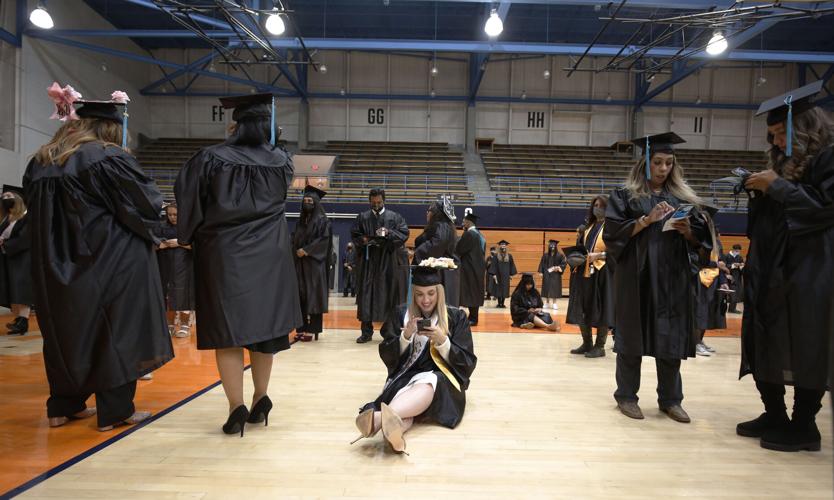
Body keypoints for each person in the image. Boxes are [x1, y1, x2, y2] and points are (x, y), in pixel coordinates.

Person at [24, 84, 173, 431]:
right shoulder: (107, 157)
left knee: (64, 331)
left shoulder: (41, 161)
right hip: (111, 260)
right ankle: (116, 410)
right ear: (109, 128)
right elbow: (146, 206)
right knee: (118, 331)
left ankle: (63, 406)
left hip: (54, 263)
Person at [176, 93, 302, 436]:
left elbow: (188, 199)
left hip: (224, 255)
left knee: (228, 334)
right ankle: (262, 397)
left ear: (235, 124)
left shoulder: (210, 158)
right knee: (264, 331)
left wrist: (187, 234)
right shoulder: (282, 162)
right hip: (270, 256)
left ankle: (236, 406)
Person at [737, 81, 834, 452]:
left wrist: (775, 186)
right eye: (773, 135)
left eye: (782, 134)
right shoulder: (780, 163)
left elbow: (824, 207)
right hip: (770, 264)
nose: (776, 142)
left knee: (806, 339)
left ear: (803, 128)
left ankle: (805, 425)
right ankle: (773, 412)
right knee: (765, 335)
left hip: (809, 267)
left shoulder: (829, 158)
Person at [603, 132, 708, 424]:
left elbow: (701, 242)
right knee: (631, 339)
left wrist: (688, 230)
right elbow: (612, 236)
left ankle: (671, 400)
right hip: (636, 279)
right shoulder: (624, 195)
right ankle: (626, 395)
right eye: (658, 162)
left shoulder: (682, 198)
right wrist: (645, 220)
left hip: (672, 279)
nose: (663, 169)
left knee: (670, 338)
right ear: (644, 163)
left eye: (669, 163)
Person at [352, 264, 477, 454]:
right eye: (419, 294)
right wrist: (405, 337)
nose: (425, 300)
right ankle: (395, 435)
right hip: (406, 377)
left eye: (431, 293)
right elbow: (387, 353)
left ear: (439, 292)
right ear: (413, 293)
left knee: (429, 380)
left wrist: (443, 342)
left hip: (441, 380)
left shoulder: (455, 317)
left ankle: (377, 419)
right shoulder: (401, 314)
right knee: (407, 410)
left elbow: (467, 362)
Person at [351, 189, 410, 344]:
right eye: (373, 202)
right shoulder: (362, 217)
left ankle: (389, 332)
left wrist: (388, 233)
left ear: (384, 200)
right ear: (369, 201)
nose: (376, 205)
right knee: (366, 296)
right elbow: (355, 235)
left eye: (379, 202)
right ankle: (366, 332)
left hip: (387, 261)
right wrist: (364, 240)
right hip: (368, 262)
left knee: (389, 295)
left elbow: (404, 233)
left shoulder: (395, 217)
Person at [565, 195, 615, 358]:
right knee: (582, 306)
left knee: (601, 308)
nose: (597, 208)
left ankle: (599, 346)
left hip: (602, 272)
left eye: (601, 205)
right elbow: (582, 248)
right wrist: (574, 256)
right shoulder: (588, 226)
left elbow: (618, 251)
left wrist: (600, 255)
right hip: (583, 272)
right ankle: (587, 343)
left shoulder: (612, 227)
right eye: (595, 205)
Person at [292, 185, 333, 342]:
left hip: (314, 265)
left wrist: (307, 250)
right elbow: (294, 239)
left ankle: (313, 329)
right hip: (300, 264)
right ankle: (301, 328)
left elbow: (323, 241)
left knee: (313, 296)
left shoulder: (323, 221)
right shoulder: (300, 222)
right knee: (301, 295)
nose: (307, 203)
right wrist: (295, 250)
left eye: (310, 200)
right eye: (305, 200)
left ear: (316, 202)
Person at [154, 203, 196, 338]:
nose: (172, 217)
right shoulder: (161, 227)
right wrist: (161, 245)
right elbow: (153, 244)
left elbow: (199, 245)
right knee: (167, 295)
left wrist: (180, 243)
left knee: (183, 295)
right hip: (165, 266)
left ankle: (184, 325)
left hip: (184, 266)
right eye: (170, 214)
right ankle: (170, 324)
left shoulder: (189, 227)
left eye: (175, 214)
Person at [693, 206, 730, 357]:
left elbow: (720, 263)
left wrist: (723, 281)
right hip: (697, 279)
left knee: (707, 313)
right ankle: (694, 343)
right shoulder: (694, 239)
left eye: (705, 220)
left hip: (712, 281)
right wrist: (716, 265)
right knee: (698, 313)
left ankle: (700, 341)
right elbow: (694, 260)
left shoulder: (716, 242)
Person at [413, 196, 460, 307]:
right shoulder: (445, 226)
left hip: (439, 275)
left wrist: (417, 252)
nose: (427, 213)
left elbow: (437, 244)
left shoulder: (441, 226)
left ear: (436, 213)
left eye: (429, 210)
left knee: (440, 308)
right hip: (442, 274)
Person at [0, 190, 33, 335]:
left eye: (9, 196)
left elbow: (25, 238)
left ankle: (23, 321)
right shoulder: (6, 218)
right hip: (8, 259)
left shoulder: (26, 217)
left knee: (22, 290)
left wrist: (5, 244)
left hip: (22, 259)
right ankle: (18, 320)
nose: (5, 198)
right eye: (3, 197)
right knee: (12, 289)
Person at [455, 211, 486, 326]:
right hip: (478, 268)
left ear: (468, 222)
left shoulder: (469, 234)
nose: (462, 223)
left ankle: (473, 318)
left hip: (470, 268)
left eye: (464, 221)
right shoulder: (479, 234)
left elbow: (460, 249)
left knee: (471, 292)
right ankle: (473, 317)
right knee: (475, 292)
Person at [538, 240, 566, 309]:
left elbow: (563, 264)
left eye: (553, 246)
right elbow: (542, 263)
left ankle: (554, 303)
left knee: (555, 288)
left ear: (556, 247)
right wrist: (541, 272)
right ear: (549, 247)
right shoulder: (545, 255)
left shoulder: (560, 255)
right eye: (551, 246)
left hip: (555, 274)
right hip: (547, 273)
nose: (552, 248)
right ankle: (547, 302)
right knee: (546, 287)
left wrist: (559, 267)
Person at [488, 240, 516, 308]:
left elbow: (511, 265)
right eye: (502, 245)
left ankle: (502, 303)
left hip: (506, 276)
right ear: (499, 246)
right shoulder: (496, 256)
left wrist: (511, 274)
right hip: (498, 275)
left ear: (506, 247)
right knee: (498, 289)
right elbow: (493, 265)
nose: (503, 246)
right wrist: (493, 274)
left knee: (505, 289)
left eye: (504, 245)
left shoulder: (509, 256)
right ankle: (499, 303)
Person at [721, 244, 745, 314]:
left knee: (735, 294)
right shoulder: (726, 256)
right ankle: (724, 308)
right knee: (726, 294)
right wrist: (733, 265)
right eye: (737, 251)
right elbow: (724, 266)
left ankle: (732, 308)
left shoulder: (739, 257)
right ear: (733, 250)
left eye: (739, 251)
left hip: (737, 277)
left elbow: (742, 265)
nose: (738, 252)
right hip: (728, 277)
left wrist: (741, 266)